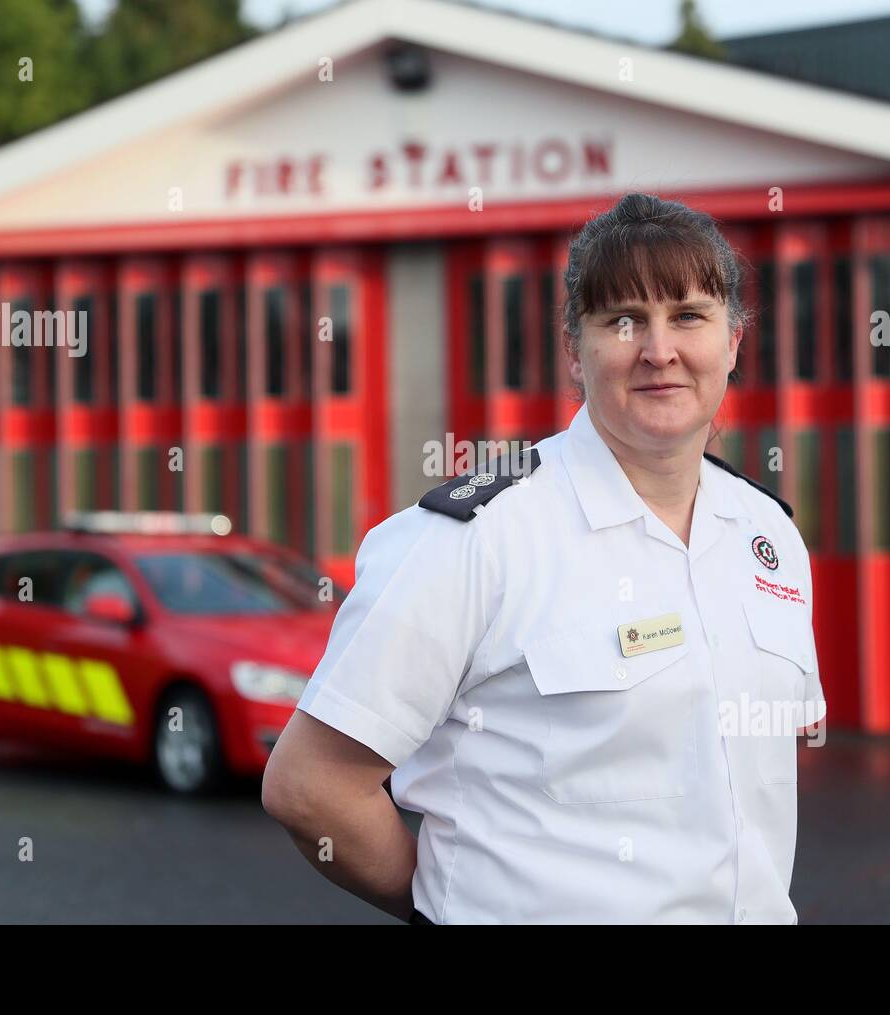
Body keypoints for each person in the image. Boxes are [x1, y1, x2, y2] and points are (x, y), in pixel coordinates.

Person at [262, 192, 826, 925]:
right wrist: (441, 904)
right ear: (574, 348)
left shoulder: (769, 535)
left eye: (689, 315)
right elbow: (312, 784)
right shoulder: (478, 538)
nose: (660, 350)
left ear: (734, 342)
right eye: (623, 320)